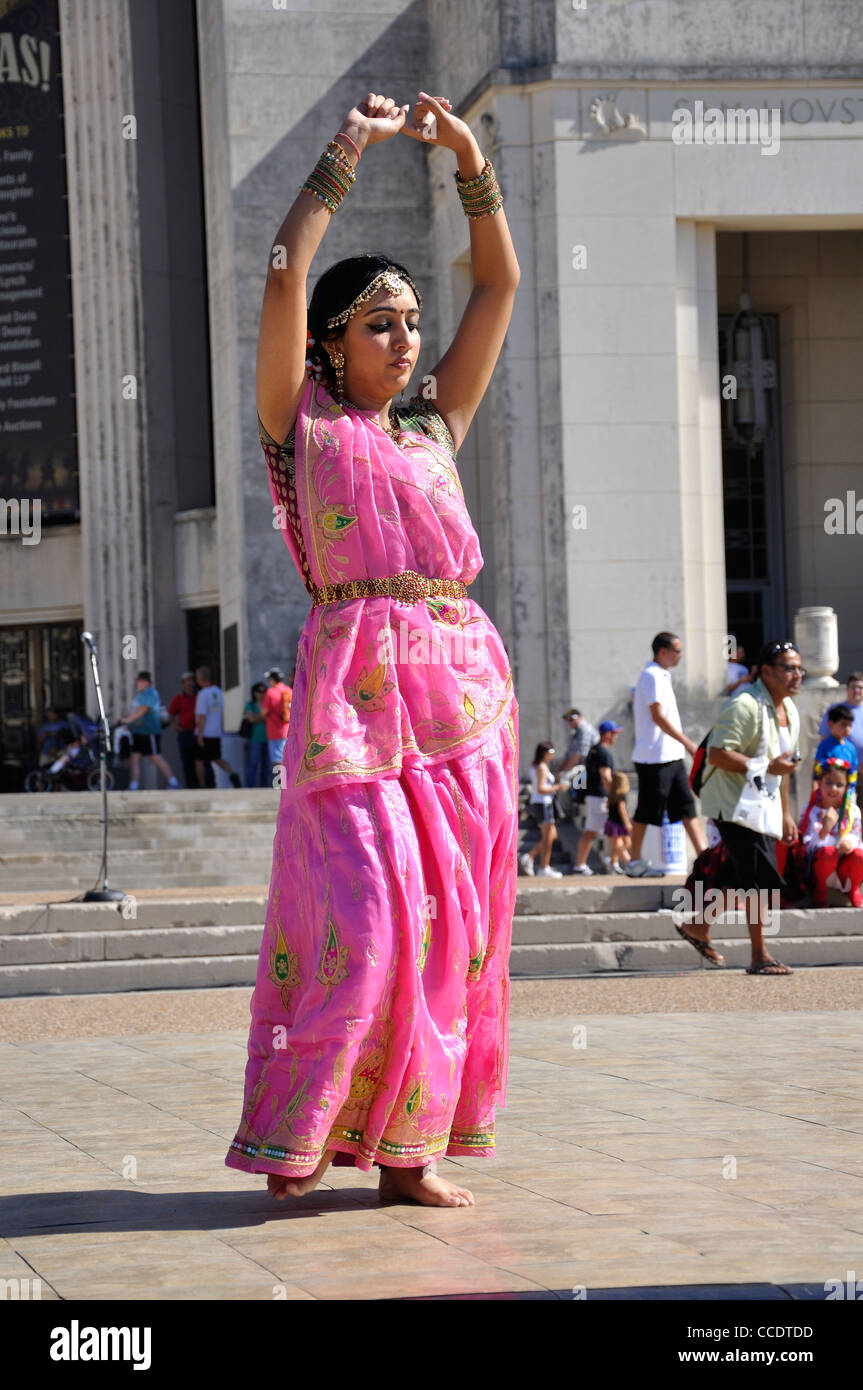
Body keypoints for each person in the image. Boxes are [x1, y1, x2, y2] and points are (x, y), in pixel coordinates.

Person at [225, 90, 520, 1210]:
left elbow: (495, 283)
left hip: (463, 703)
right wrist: (345, 151)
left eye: (408, 321)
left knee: (454, 935)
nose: (402, 340)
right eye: (377, 324)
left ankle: (408, 1154)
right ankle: (298, 1134)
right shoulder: (298, 428)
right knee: (370, 913)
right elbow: (279, 276)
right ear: (329, 345)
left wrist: (469, 159)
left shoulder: (434, 422)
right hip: (353, 699)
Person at [687, 640, 803, 975]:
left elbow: (785, 769)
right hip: (732, 804)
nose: (797, 675)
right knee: (759, 879)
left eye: (799, 668)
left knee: (741, 875)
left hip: (761, 806)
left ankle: (698, 926)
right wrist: (766, 767)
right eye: (789, 668)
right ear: (766, 671)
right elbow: (718, 754)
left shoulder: (790, 710)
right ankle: (759, 955)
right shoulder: (745, 704)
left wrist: (785, 813)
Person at [626, 632, 706, 876]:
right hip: (655, 757)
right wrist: (689, 743)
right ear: (662, 652)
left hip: (670, 756)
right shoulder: (651, 675)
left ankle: (705, 859)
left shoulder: (660, 675)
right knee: (647, 810)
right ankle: (634, 861)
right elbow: (658, 716)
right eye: (677, 651)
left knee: (686, 807)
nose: (680, 656)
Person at [798, 757, 863, 908]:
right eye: (829, 783)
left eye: (839, 784)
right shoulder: (811, 810)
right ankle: (820, 889)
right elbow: (807, 845)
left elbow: (856, 835)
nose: (833, 788)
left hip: (844, 863)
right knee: (828, 853)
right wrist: (825, 829)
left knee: (859, 855)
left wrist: (848, 842)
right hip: (822, 864)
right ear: (820, 783)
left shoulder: (852, 811)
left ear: (847, 788)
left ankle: (853, 889)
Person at [571, 720, 622, 875]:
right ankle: (612, 863)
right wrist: (615, 796)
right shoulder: (604, 752)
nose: (616, 737)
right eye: (614, 734)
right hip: (601, 797)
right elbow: (606, 776)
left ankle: (614, 862)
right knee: (610, 830)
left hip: (593, 796)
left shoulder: (593, 750)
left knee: (608, 831)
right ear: (607, 734)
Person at [121, 671, 180, 790]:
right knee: (135, 757)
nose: (139, 683)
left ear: (147, 682)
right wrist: (126, 718)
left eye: (141, 681)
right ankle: (133, 785)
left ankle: (173, 782)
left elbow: (143, 709)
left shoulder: (151, 693)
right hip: (138, 731)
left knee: (155, 757)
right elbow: (135, 710)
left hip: (149, 732)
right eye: (138, 681)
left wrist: (129, 719)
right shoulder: (140, 695)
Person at [520, 742, 565, 878]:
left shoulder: (541, 766)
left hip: (544, 803)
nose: (553, 754)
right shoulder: (541, 767)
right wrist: (558, 787)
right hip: (543, 804)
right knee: (547, 838)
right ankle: (543, 867)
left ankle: (530, 857)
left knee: (552, 835)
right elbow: (541, 789)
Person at [194, 666, 242, 789]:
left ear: (200, 679)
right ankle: (232, 773)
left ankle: (202, 785)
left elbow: (202, 716)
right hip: (216, 732)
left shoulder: (203, 694)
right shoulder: (218, 692)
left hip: (205, 733)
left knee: (199, 760)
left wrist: (200, 734)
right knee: (216, 758)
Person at [554, 707, 599, 822]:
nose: (569, 722)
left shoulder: (584, 730)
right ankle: (568, 812)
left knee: (564, 780)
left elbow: (579, 755)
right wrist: (560, 769)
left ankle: (567, 814)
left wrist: (563, 772)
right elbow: (569, 754)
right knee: (561, 779)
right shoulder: (576, 731)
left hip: (587, 767)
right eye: (568, 720)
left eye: (572, 719)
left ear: (580, 718)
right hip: (580, 767)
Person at [168, 671, 211, 789]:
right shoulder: (178, 698)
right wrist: (174, 726)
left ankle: (203, 785)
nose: (190, 684)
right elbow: (170, 714)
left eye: (192, 681)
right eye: (187, 682)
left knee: (202, 761)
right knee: (187, 762)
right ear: (183, 684)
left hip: (199, 733)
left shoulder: (200, 696)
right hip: (185, 734)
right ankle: (191, 786)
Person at [818, 672, 863, 770]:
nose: (856, 690)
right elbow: (824, 738)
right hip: (840, 769)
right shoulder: (835, 710)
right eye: (853, 687)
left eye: (860, 687)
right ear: (847, 689)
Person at [813, 702, 859, 796]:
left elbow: (854, 770)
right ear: (830, 724)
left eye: (850, 725)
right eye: (843, 725)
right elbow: (817, 770)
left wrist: (851, 788)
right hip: (828, 793)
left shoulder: (850, 747)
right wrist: (815, 789)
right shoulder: (824, 745)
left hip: (847, 794)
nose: (847, 729)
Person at [260, 668, 292, 778]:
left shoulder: (271, 692)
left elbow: (264, 712)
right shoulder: (289, 690)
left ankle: (281, 782)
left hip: (275, 730)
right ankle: (288, 781)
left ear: (273, 680)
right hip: (288, 729)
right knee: (287, 756)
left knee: (278, 758)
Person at [602, 770, 632, 873]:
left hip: (612, 823)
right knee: (626, 843)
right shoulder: (621, 796)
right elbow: (622, 811)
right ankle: (612, 861)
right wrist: (627, 823)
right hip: (618, 824)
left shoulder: (612, 794)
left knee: (617, 845)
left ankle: (614, 863)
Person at [243, 681, 270, 787]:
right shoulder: (250, 704)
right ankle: (249, 787)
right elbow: (251, 719)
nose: (261, 694)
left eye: (264, 691)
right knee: (253, 764)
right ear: (254, 693)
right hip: (255, 739)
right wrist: (264, 717)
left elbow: (255, 718)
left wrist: (259, 717)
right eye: (259, 691)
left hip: (268, 738)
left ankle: (263, 787)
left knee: (266, 765)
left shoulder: (268, 704)